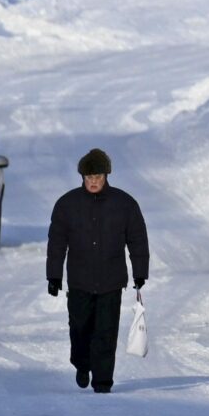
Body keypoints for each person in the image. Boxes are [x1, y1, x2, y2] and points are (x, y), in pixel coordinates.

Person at [46, 147, 148, 392]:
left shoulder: (124, 204)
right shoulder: (67, 204)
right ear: (82, 177)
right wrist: (54, 275)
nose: (93, 182)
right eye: (89, 177)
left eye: (98, 177)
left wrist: (140, 271)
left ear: (106, 177)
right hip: (79, 280)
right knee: (79, 328)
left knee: (106, 332)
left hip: (111, 281)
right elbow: (57, 242)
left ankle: (103, 382)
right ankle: (82, 364)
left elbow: (137, 239)